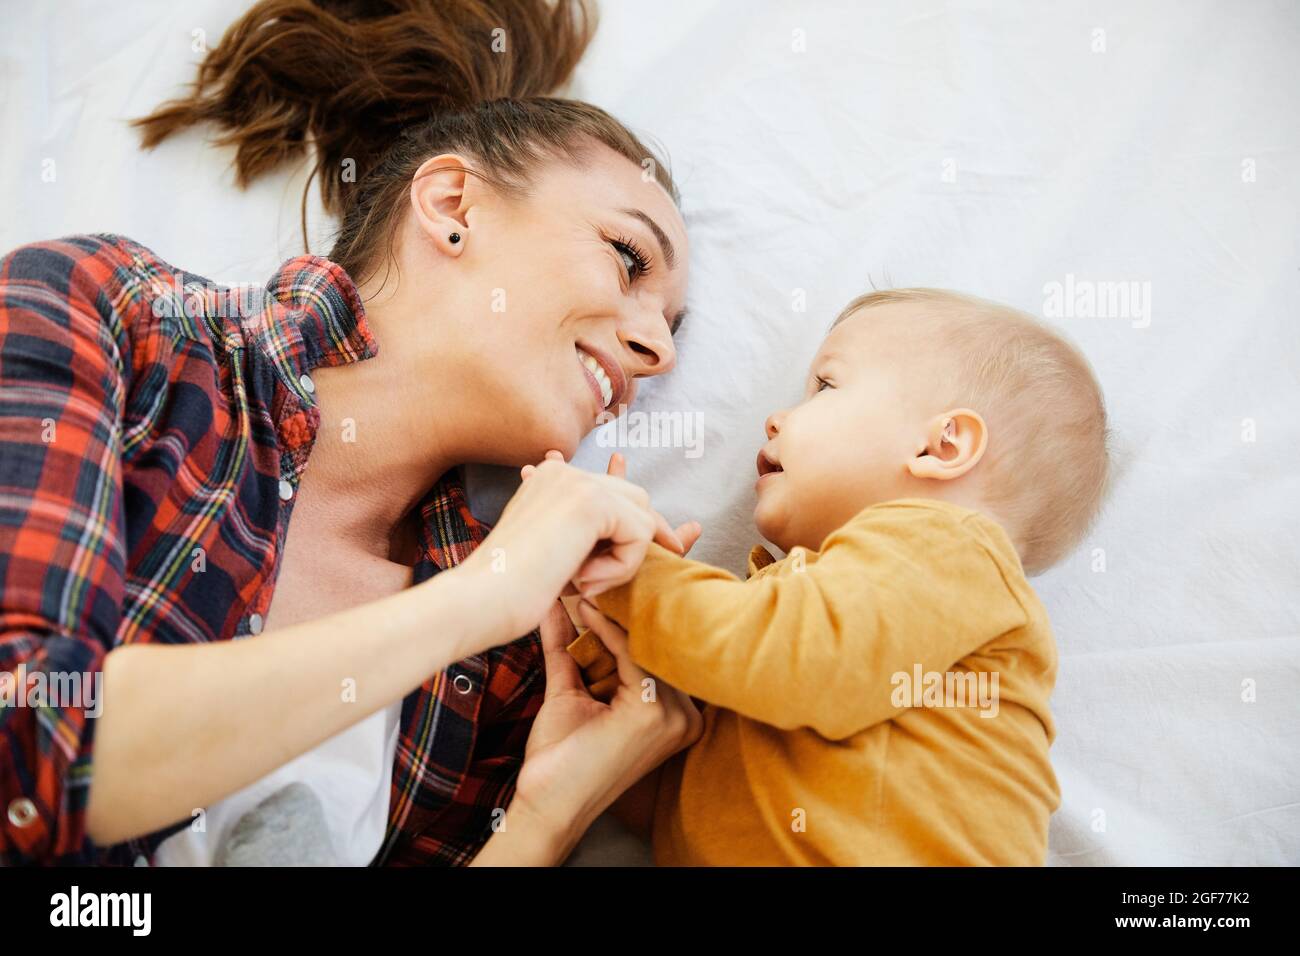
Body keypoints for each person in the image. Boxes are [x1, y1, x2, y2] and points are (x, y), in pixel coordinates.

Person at [0, 0, 699, 866]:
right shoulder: (119, 319)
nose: (659, 349)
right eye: (628, 258)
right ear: (453, 207)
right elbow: (23, 757)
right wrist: (482, 595)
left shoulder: (511, 666)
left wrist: (541, 823)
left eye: (674, 325)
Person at [577, 288, 1111, 864]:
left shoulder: (951, 549)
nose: (776, 419)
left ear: (943, 445)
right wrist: (613, 651)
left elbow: (788, 662)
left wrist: (632, 573)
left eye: (825, 388)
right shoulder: (795, 613)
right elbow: (674, 810)